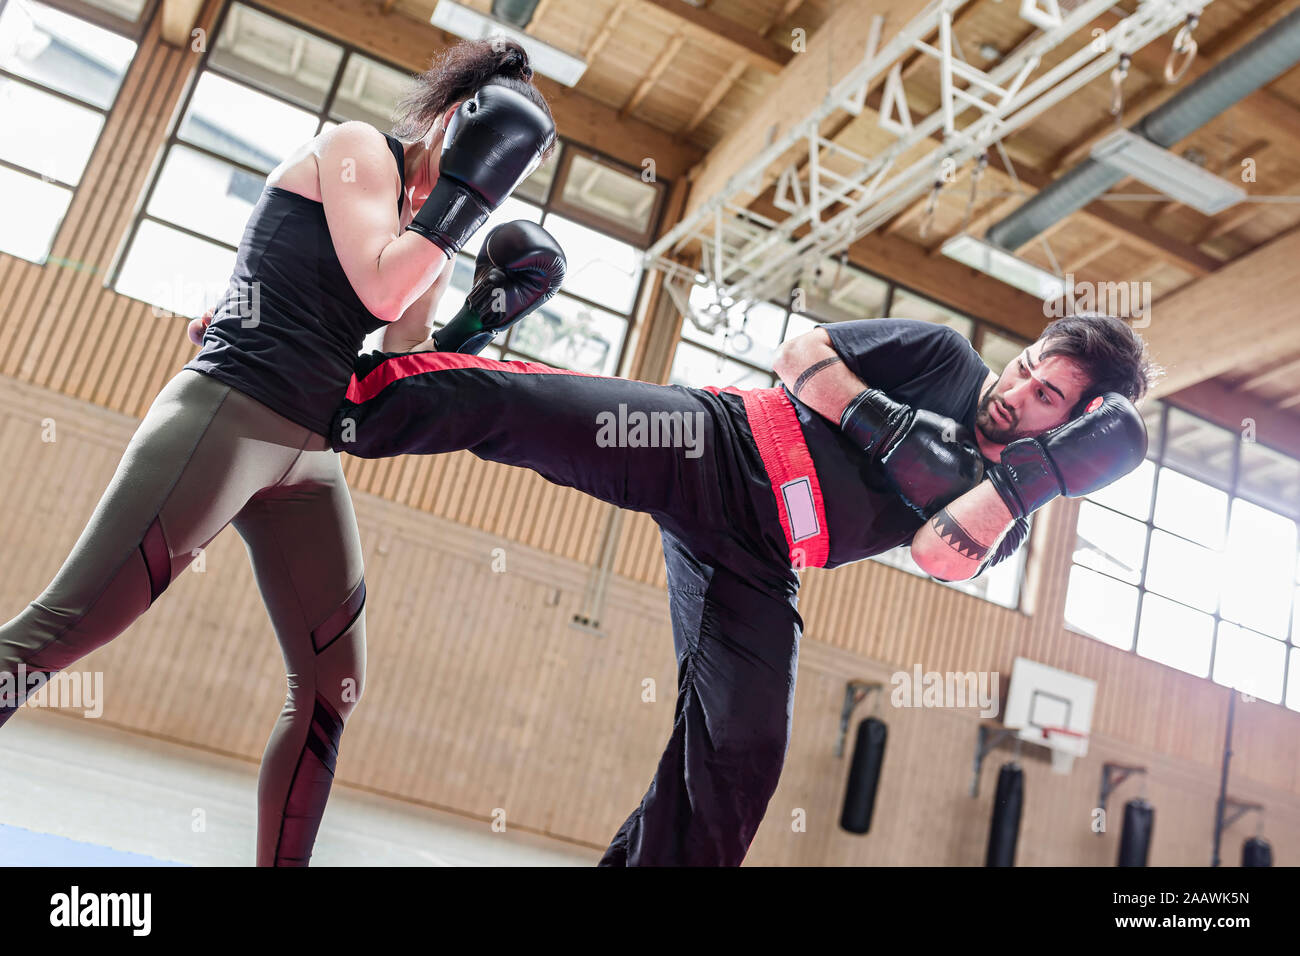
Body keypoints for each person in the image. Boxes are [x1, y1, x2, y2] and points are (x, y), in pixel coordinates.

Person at [0, 38, 558, 866]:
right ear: (455, 117)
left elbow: (401, 361)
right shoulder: (357, 150)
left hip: (307, 457)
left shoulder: (427, 229)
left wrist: (478, 324)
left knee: (334, 685)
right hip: (228, 415)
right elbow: (376, 285)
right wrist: (464, 208)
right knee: (56, 635)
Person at [329, 309, 1157, 865]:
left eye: (1045, 396)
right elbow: (801, 354)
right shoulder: (944, 358)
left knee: (744, 751)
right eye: (1023, 368)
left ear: (1076, 428)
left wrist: (1025, 482)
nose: (1013, 392)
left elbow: (943, 558)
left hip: (759, 558)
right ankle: (337, 393)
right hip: (713, 443)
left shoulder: (1007, 504)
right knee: (531, 405)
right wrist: (878, 417)